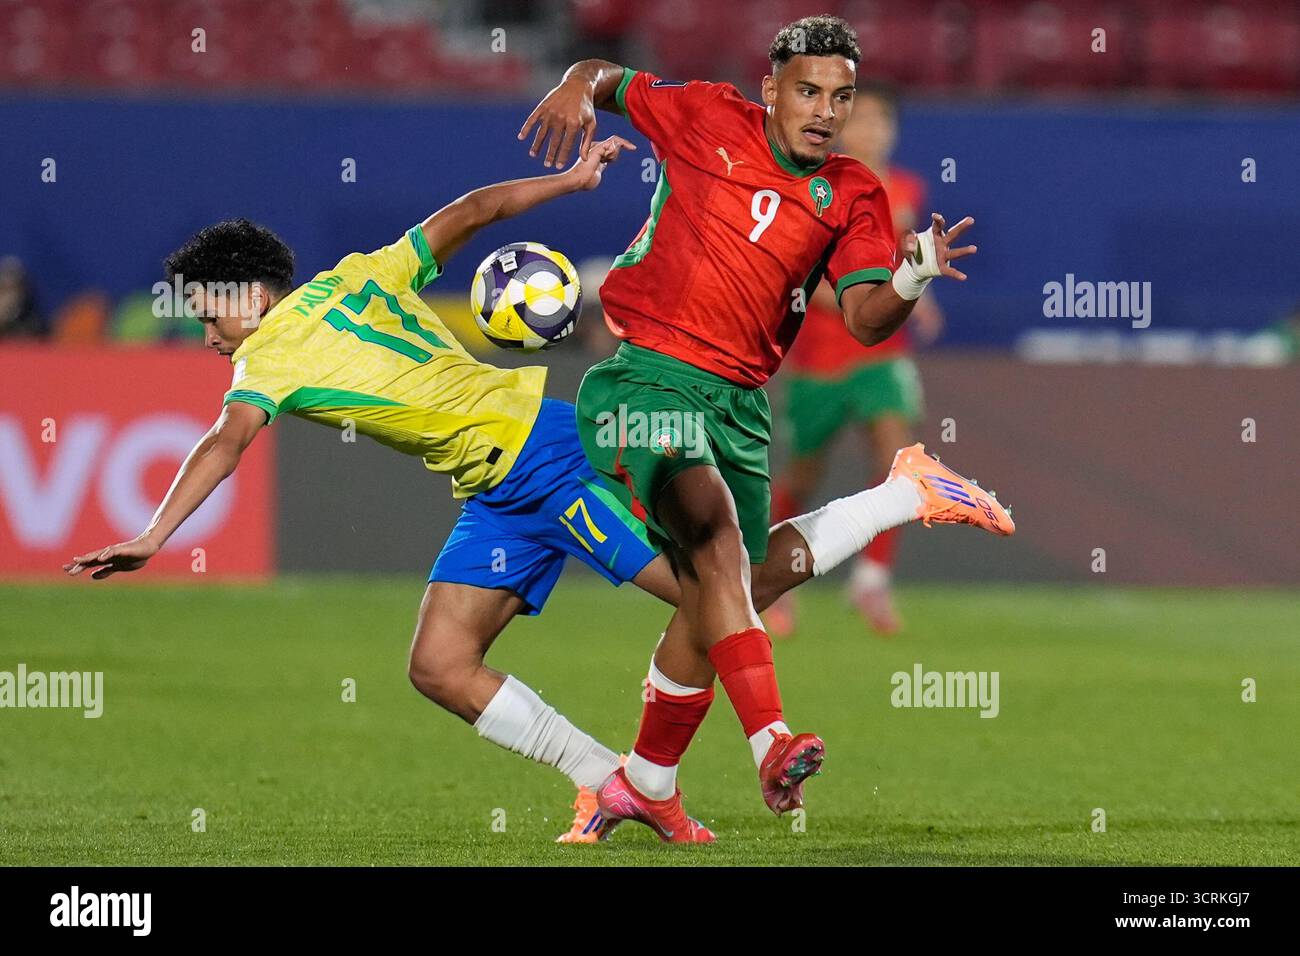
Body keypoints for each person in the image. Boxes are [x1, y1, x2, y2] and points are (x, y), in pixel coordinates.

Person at [61, 134, 1008, 846]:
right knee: (439, 663)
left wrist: (153, 533)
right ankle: (609, 777)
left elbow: (225, 444)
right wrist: (568, 182)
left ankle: (899, 492)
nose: (206, 335)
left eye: (205, 313)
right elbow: (471, 210)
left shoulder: (265, 354)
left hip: (549, 459)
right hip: (499, 481)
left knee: (723, 596)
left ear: (243, 296)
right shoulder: (356, 277)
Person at [519, 14, 1013, 842]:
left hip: (742, 405)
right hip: (646, 375)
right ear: (771, 90)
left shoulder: (854, 192)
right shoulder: (707, 114)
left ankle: (643, 782)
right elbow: (607, 78)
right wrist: (574, 83)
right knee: (713, 541)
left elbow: (863, 318)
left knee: (727, 595)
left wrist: (914, 273)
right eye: (810, 92)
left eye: (842, 97)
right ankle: (771, 740)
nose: (826, 110)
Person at [769, 81, 942, 637]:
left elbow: (904, 258)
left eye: (881, 122)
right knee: (803, 473)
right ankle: (772, 582)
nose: (872, 131)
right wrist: (860, 302)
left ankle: (871, 581)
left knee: (898, 461)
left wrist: (920, 297)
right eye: (861, 120)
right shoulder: (820, 185)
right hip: (820, 355)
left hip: (882, 354)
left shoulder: (906, 189)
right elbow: (797, 272)